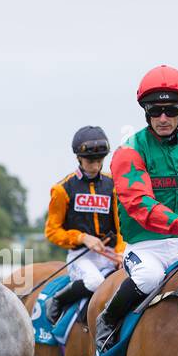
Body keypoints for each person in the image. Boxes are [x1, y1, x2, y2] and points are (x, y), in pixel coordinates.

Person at [96, 64, 178, 351]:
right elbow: (141, 205)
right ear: (146, 112)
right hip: (146, 248)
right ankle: (107, 321)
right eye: (156, 111)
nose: (163, 118)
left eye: (171, 110)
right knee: (149, 278)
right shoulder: (129, 152)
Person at [43, 126, 125, 323]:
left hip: (111, 254)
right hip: (81, 257)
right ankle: (57, 299)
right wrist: (82, 237)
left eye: (100, 160)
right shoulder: (62, 189)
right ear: (79, 158)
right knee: (95, 282)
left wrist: (122, 252)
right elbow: (52, 231)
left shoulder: (114, 185)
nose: (96, 166)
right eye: (90, 161)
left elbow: (121, 226)